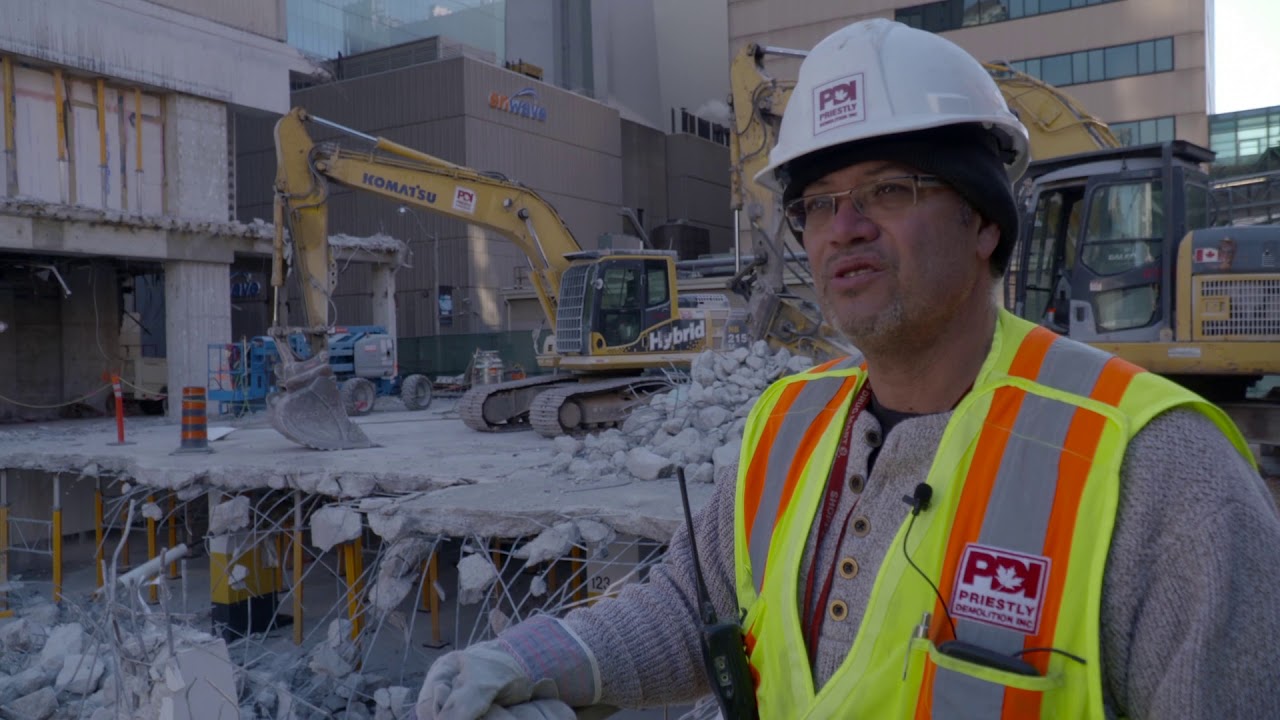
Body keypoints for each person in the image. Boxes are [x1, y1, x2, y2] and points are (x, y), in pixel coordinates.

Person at [418, 18, 1280, 720]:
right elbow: (694, 606)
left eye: (890, 190)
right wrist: (532, 659)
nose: (844, 227)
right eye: (819, 204)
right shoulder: (787, 423)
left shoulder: (1159, 475)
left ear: (985, 222)